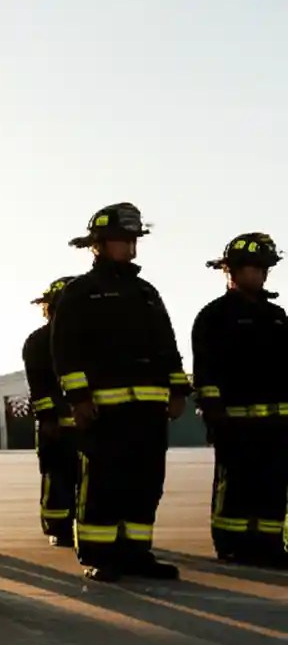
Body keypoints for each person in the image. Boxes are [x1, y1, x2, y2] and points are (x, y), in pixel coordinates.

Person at [52, 202, 190, 582]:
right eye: (120, 240)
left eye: (132, 240)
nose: (129, 247)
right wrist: (78, 399)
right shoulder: (82, 293)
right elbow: (65, 349)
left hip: (148, 409)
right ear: (97, 245)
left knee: (145, 483)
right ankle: (99, 555)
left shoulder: (146, 292)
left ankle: (136, 553)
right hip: (104, 411)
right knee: (103, 483)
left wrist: (178, 390)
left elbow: (167, 345)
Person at [192, 233, 288, 568]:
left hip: (277, 424)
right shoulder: (214, 317)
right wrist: (215, 413)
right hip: (235, 421)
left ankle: (270, 545)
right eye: (250, 267)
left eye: (262, 268)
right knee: (235, 487)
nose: (257, 274)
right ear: (230, 271)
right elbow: (206, 369)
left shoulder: (277, 317)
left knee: (273, 487)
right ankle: (232, 545)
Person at [22, 276, 79, 548]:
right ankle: (58, 526)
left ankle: (81, 523)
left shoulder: (86, 338)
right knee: (57, 477)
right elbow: (39, 385)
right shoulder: (38, 342)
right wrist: (47, 417)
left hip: (85, 423)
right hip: (56, 425)